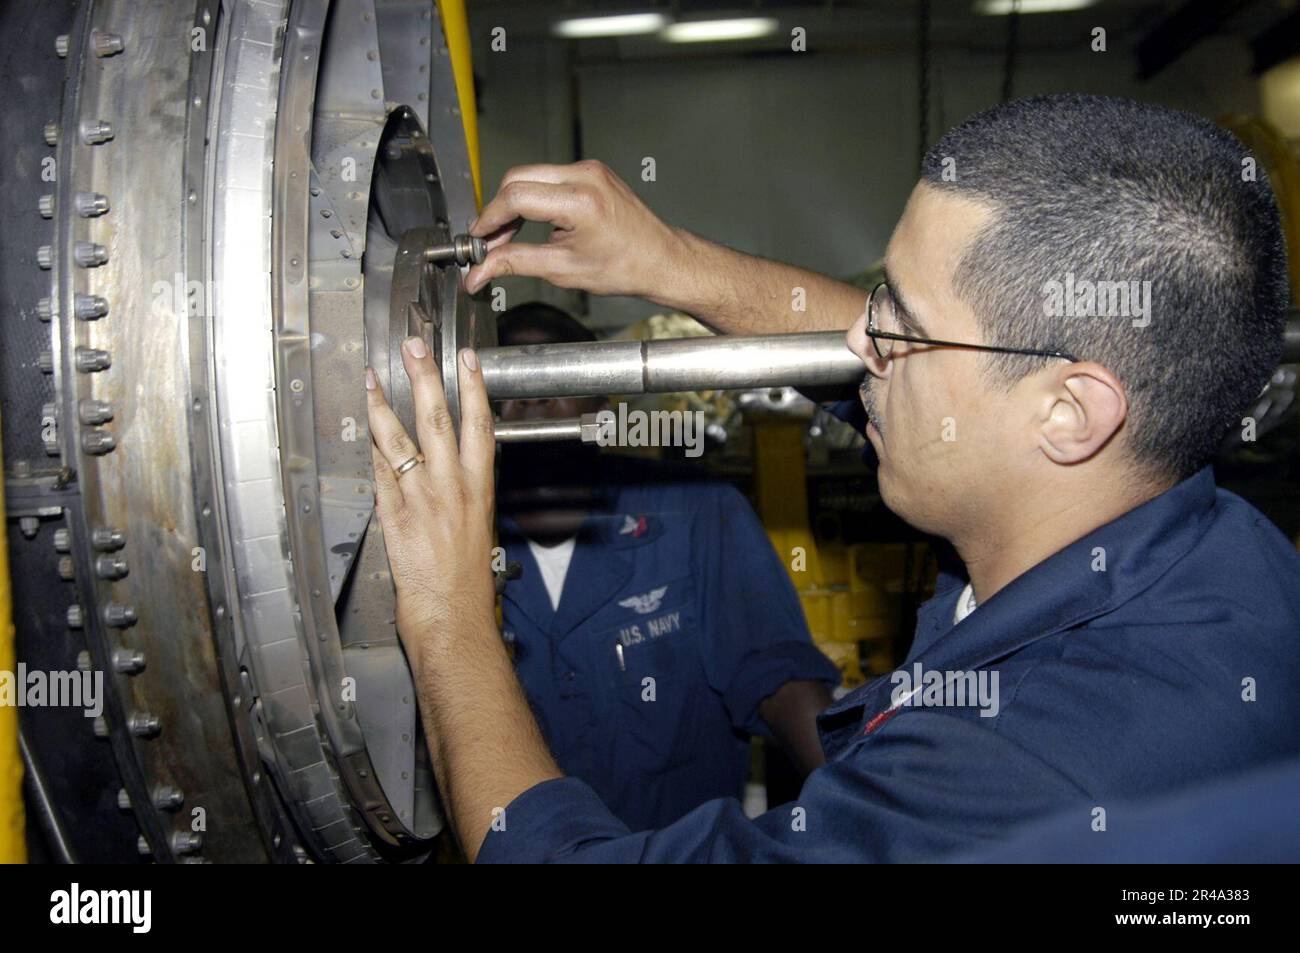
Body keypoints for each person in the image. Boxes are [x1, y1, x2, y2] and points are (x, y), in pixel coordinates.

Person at [364, 94, 1300, 862]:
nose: (858, 341)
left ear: (1067, 415)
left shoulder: (1016, 783)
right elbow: (944, 362)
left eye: (901, 322)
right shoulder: (1218, 550)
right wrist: (668, 263)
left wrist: (448, 616)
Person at [491, 301, 838, 830]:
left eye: (554, 376)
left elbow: (776, 673)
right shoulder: (447, 544)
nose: (534, 398)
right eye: (508, 385)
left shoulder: (694, 511)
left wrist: (857, 806)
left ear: (604, 407)